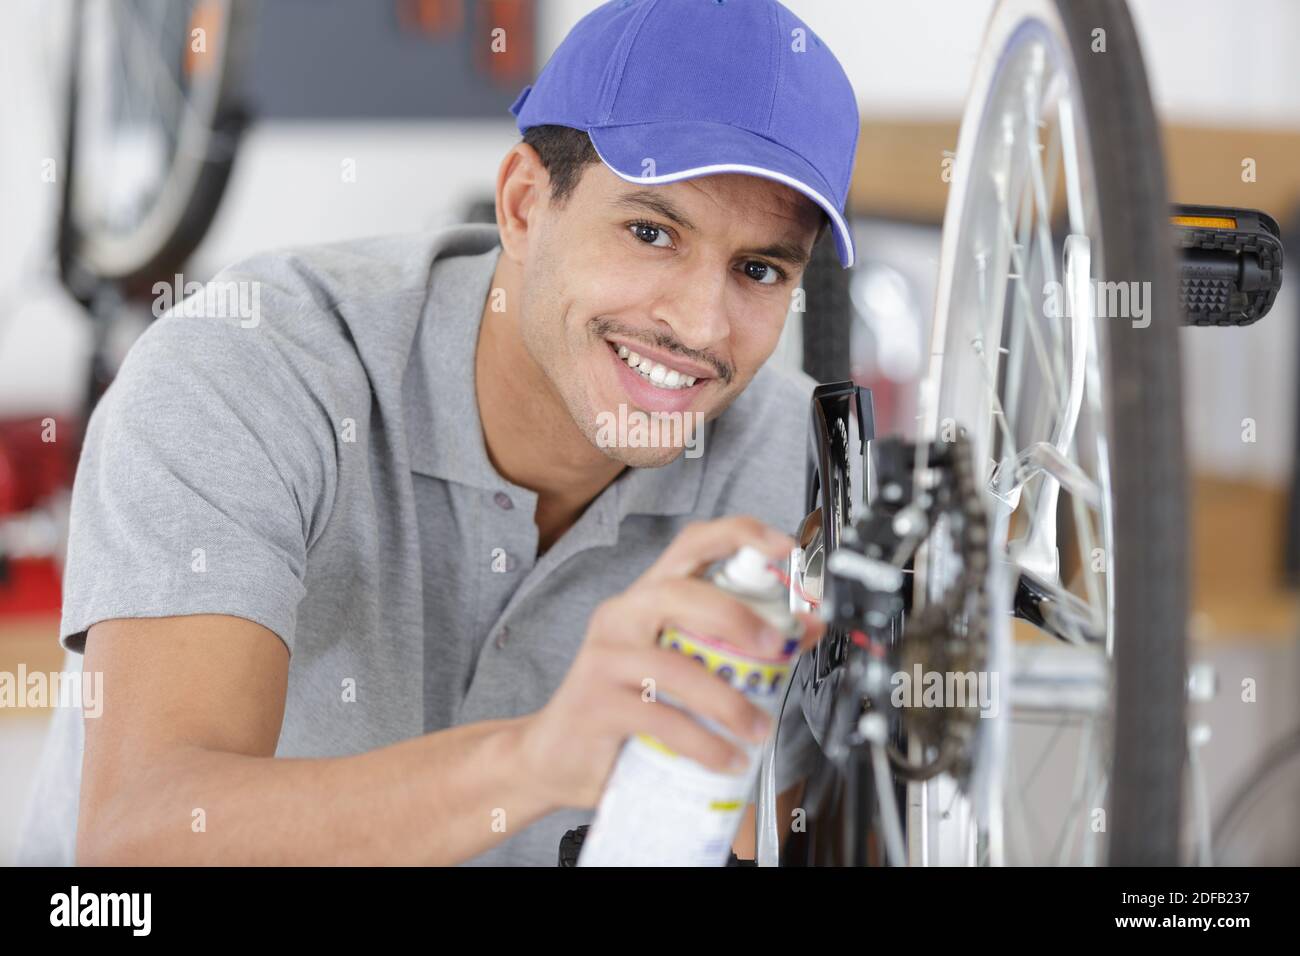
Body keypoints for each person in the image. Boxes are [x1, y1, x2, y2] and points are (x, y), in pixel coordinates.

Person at [18, 0, 859, 866]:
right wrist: (535, 759)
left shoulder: (801, 476)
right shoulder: (245, 373)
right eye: (650, 232)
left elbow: (796, 830)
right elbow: (141, 836)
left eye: (758, 269)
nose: (699, 325)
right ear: (525, 205)